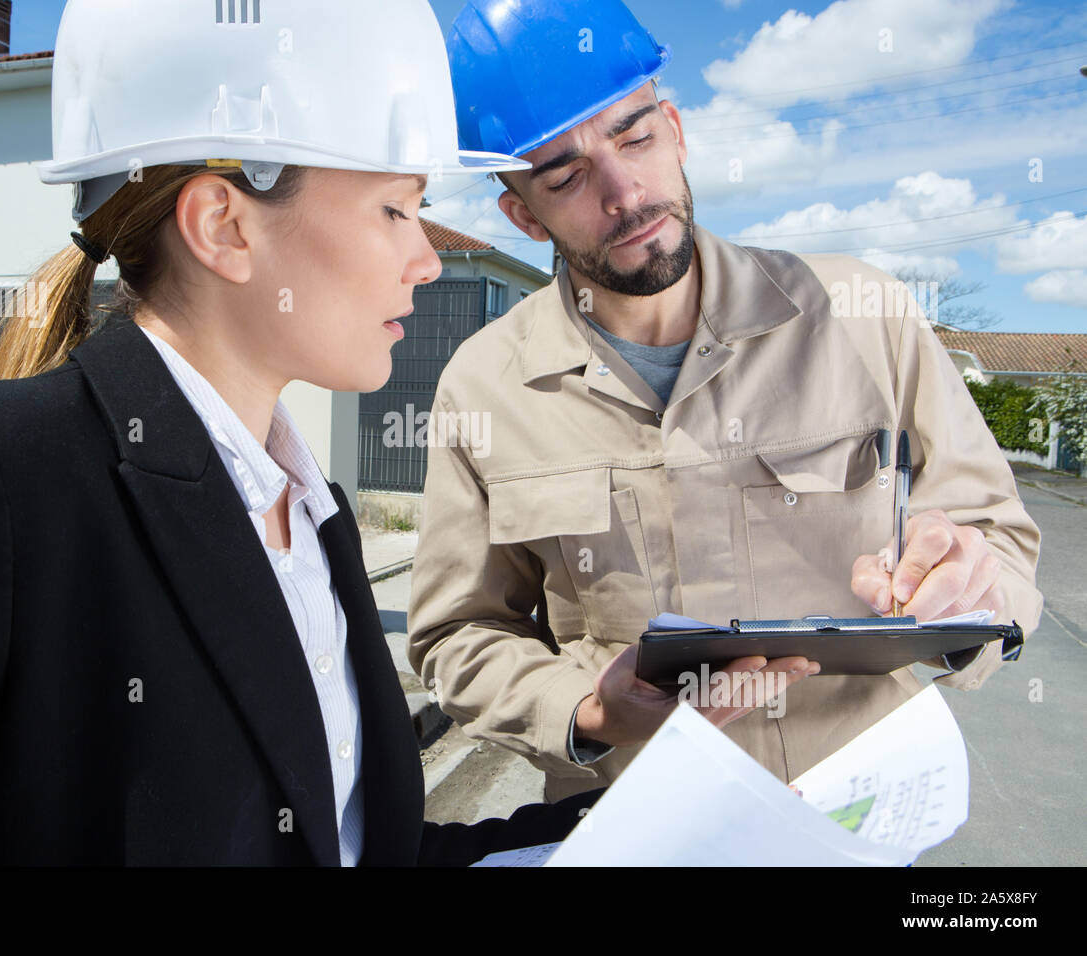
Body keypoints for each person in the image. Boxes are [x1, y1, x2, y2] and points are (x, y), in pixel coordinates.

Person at [0, 0, 599, 866]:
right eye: (396, 210)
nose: (428, 258)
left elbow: (352, 846)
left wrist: (615, 837)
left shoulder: (312, 509)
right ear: (223, 226)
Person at [408, 0, 1043, 804]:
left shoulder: (863, 316)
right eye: (565, 176)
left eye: (635, 136)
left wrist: (972, 598)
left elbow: (998, 538)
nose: (624, 191)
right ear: (520, 214)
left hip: (857, 817)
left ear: (676, 128)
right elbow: (460, 632)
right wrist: (589, 709)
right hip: (626, 827)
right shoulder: (484, 385)